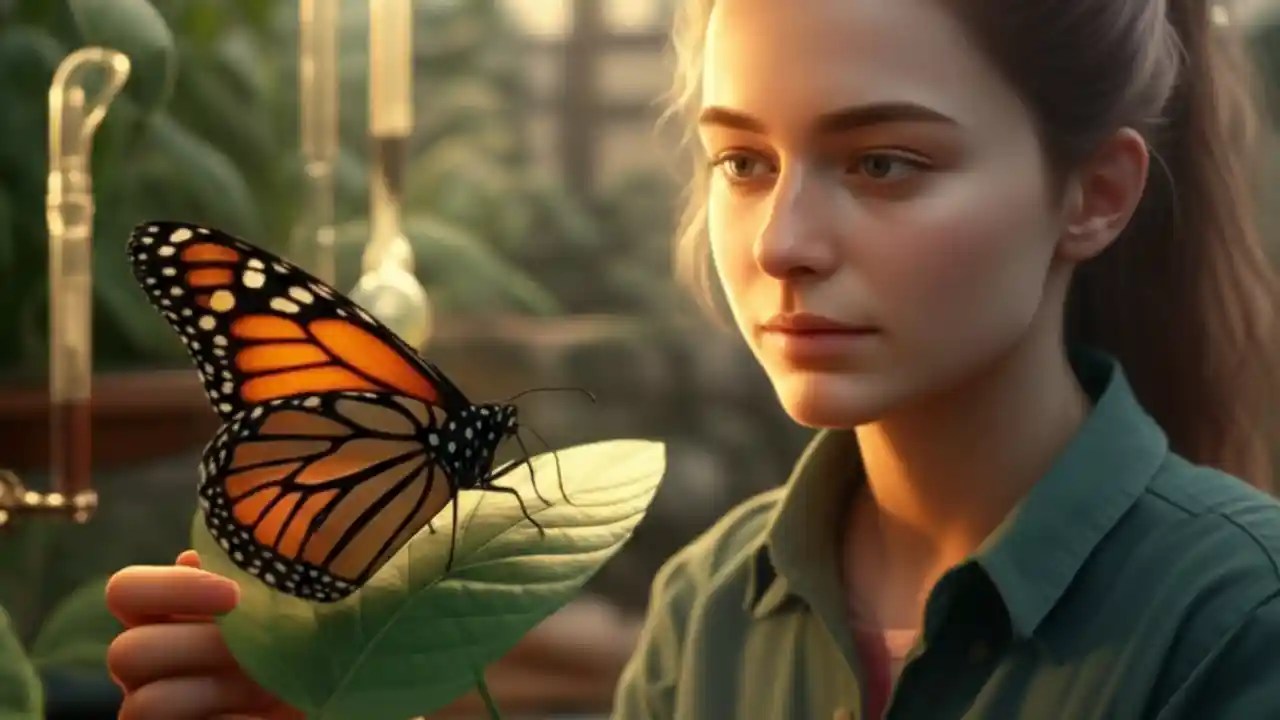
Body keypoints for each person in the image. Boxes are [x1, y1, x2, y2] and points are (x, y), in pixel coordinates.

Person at [105, 0, 1280, 718]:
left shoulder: (1234, 618)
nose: (780, 245)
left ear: (1094, 194)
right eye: (743, 164)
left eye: (883, 163)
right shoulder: (710, 607)